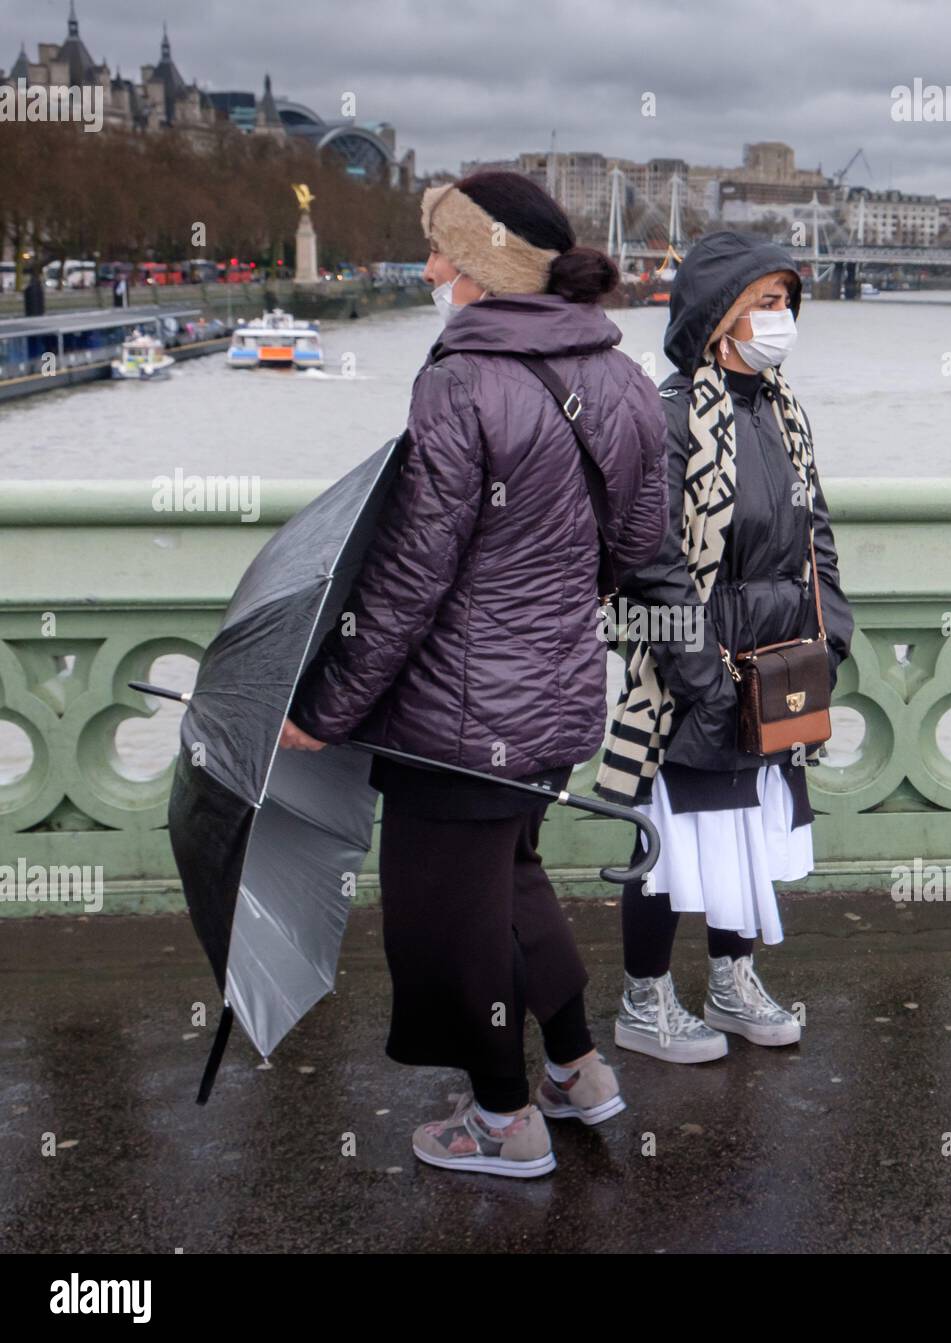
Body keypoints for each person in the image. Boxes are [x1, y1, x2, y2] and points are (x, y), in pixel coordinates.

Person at [280, 171, 668, 1177]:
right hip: (555, 691)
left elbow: (411, 574)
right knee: (512, 881)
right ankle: (577, 1070)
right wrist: (539, 609)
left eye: (443, 251)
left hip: (454, 713)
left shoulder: (458, 380)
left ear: (486, 265)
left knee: (451, 920)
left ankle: (501, 1119)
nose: (429, 267)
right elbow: (633, 538)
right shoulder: (623, 375)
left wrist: (327, 705)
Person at [597, 232, 853, 1063]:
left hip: (773, 665)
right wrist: (699, 671)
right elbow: (647, 556)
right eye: (764, 304)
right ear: (719, 321)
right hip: (695, 671)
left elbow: (816, 532)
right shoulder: (669, 416)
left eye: (786, 303)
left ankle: (732, 979)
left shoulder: (785, 412)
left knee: (747, 833)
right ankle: (645, 998)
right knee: (670, 840)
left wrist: (833, 629)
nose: (781, 320)